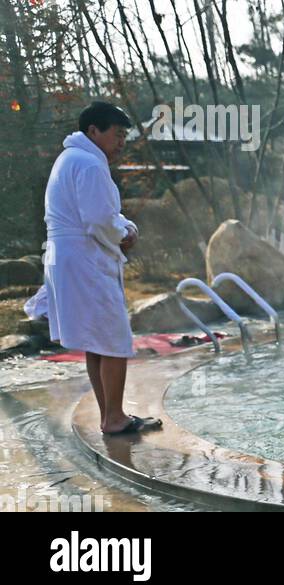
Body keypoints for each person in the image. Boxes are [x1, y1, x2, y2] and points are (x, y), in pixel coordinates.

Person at [45, 102, 154, 435]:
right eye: (117, 134)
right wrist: (125, 234)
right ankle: (114, 417)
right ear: (94, 131)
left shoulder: (72, 159)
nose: (121, 142)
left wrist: (124, 226)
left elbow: (97, 214)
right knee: (114, 337)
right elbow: (97, 220)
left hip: (72, 258)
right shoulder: (89, 164)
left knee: (97, 340)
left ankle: (111, 414)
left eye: (124, 135)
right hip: (84, 260)